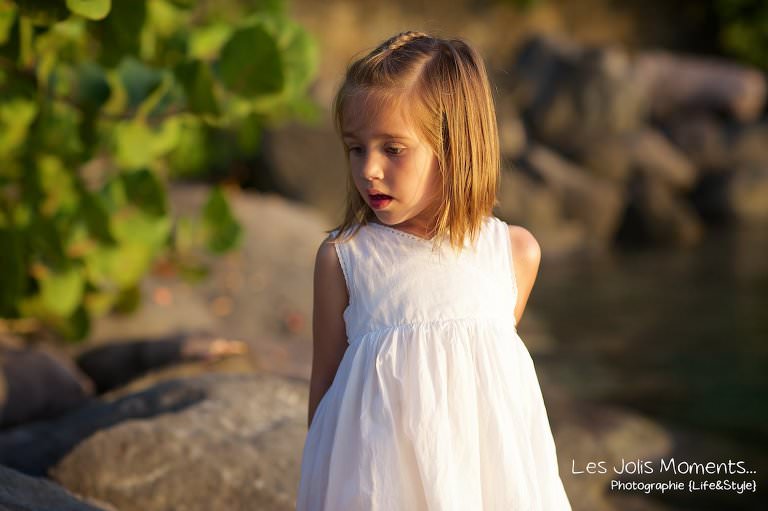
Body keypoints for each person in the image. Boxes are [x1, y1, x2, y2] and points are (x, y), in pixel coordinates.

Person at [296, 31, 572, 510]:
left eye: (393, 149)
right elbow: (325, 401)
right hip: (380, 487)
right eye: (356, 148)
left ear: (455, 145)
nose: (369, 170)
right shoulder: (345, 259)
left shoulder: (513, 253)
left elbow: (488, 391)